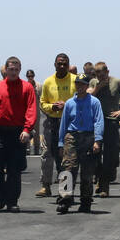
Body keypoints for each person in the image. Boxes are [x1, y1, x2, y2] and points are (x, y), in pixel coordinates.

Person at [0, 56, 37, 212]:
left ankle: (12, 201)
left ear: (20, 70)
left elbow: (31, 110)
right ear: (5, 70)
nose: (13, 72)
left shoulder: (27, 88)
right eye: (10, 69)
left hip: (18, 131)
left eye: (16, 70)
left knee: (14, 169)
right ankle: (2, 192)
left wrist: (27, 130)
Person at [57, 75, 103, 214]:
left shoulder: (94, 102)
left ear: (87, 85)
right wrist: (60, 143)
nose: (80, 86)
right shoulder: (70, 103)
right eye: (77, 84)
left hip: (88, 136)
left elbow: (99, 121)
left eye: (83, 84)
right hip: (72, 136)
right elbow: (64, 123)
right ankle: (65, 200)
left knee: (87, 172)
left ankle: (86, 201)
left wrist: (97, 140)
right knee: (68, 169)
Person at [90, 62, 120, 196]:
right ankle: (100, 179)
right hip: (96, 123)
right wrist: (98, 87)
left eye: (102, 75)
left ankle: (104, 186)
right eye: (98, 75)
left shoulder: (117, 82)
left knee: (110, 156)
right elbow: (87, 98)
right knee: (94, 155)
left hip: (111, 122)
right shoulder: (93, 83)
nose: (100, 77)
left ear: (107, 72)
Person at [37, 54, 75, 197]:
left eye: (65, 64)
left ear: (68, 65)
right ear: (54, 64)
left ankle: (65, 189)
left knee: (66, 157)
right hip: (51, 122)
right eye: (59, 64)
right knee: (47, 154)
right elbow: (42, 103)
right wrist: (52, 107)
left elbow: (80, 100)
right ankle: (45, 186)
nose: (62, 67)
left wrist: (67, 106)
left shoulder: (74, 81)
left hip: (69, 124)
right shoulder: (48, 82)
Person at [25, 69, 42, 156]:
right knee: (27, 130)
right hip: (27, 111)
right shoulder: (25, 85)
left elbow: (41, 98)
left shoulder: (38, 86)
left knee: (37, 132)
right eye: (28, 76)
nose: (30, 78)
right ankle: (27, 148)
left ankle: (36, 149)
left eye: (31, 76)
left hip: (36, 111)